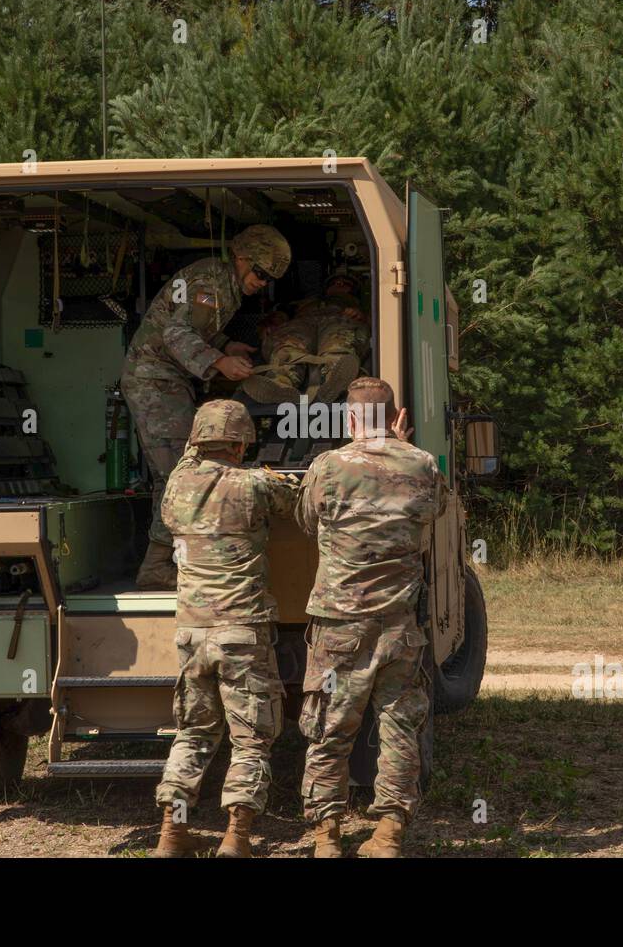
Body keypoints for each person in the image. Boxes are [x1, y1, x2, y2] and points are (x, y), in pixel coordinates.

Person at [294, 377, 449, 857]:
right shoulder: (422, 464)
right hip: (401, 626)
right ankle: (389, 834)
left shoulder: (328, 466)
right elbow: (435, 509)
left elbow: (306, 520)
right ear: (397, 416)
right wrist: (402, 448)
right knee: (399, 725)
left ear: (351, 418)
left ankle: (327, 836)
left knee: (329, 729)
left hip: (339, 626)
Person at [150, 399, 298, 858]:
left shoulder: (174, 485)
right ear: (240, 443)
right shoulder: (253, 484)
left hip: (192, 633)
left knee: (193, 734)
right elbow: (301, 502)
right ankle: (237, 838)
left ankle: (171, 836)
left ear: (196, 440)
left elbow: (192, 463)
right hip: (241, 631)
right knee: (251, 737)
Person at [121, 225, 291, 589]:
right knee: (176, 476)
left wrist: (227, 345)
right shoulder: (212, 283)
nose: (263, 282)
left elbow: (191, 326)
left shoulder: (222, 284)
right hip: (155, 381)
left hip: (169, 381)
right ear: (243, 259)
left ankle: (165, 562)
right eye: (261, 273)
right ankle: (156, 567)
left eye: (270, 278)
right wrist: (218, 362)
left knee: (177, 472)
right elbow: (175, 335)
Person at [242, 273, 368, 404]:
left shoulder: (359, 304)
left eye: (346, 283)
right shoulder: (305, 302)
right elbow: (281, 314)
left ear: (354, 291)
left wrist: (361, 315)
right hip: (302, 323)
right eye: (335, 282)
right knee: (288, 345)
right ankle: (280, 383)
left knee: (339, 343)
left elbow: (380, 321)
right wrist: (272, 322)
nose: (339, 284)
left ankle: (334, 380)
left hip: (339, 320)